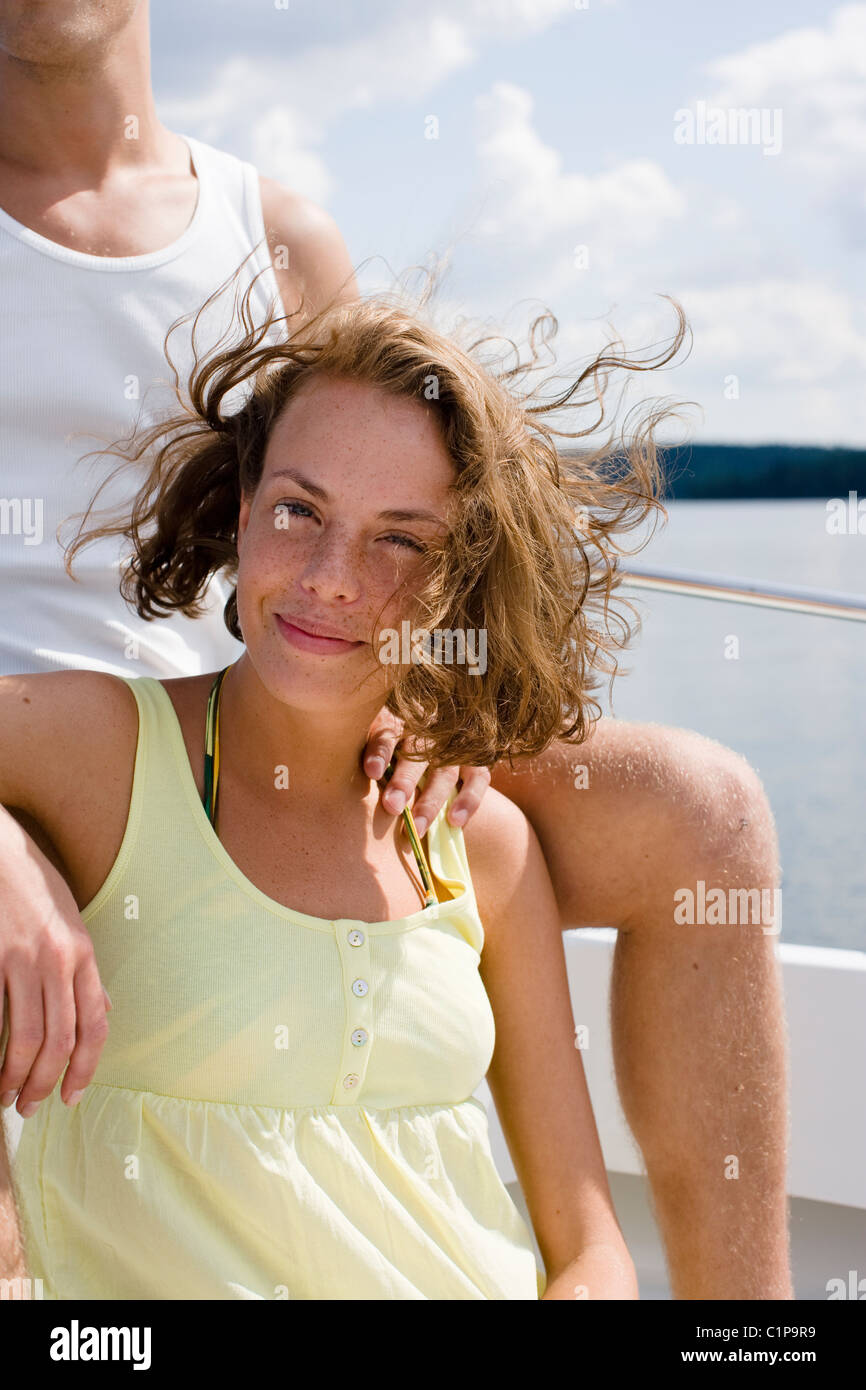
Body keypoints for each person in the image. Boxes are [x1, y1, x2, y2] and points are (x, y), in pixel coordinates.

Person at [0, 0, 792, 1299]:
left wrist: (431, 694)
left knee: (701, 809)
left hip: (276, 689)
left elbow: (376, 471)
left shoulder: (272, 234)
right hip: (74, 759)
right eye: (292, 517)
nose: (337, 560)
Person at [1, 279, 656, 1299]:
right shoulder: (104, 752)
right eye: (299, 510)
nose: (329, 576)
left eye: (400, 538)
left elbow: (591, 1249)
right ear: (242, 511)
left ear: (462, 574)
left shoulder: (482, 845)